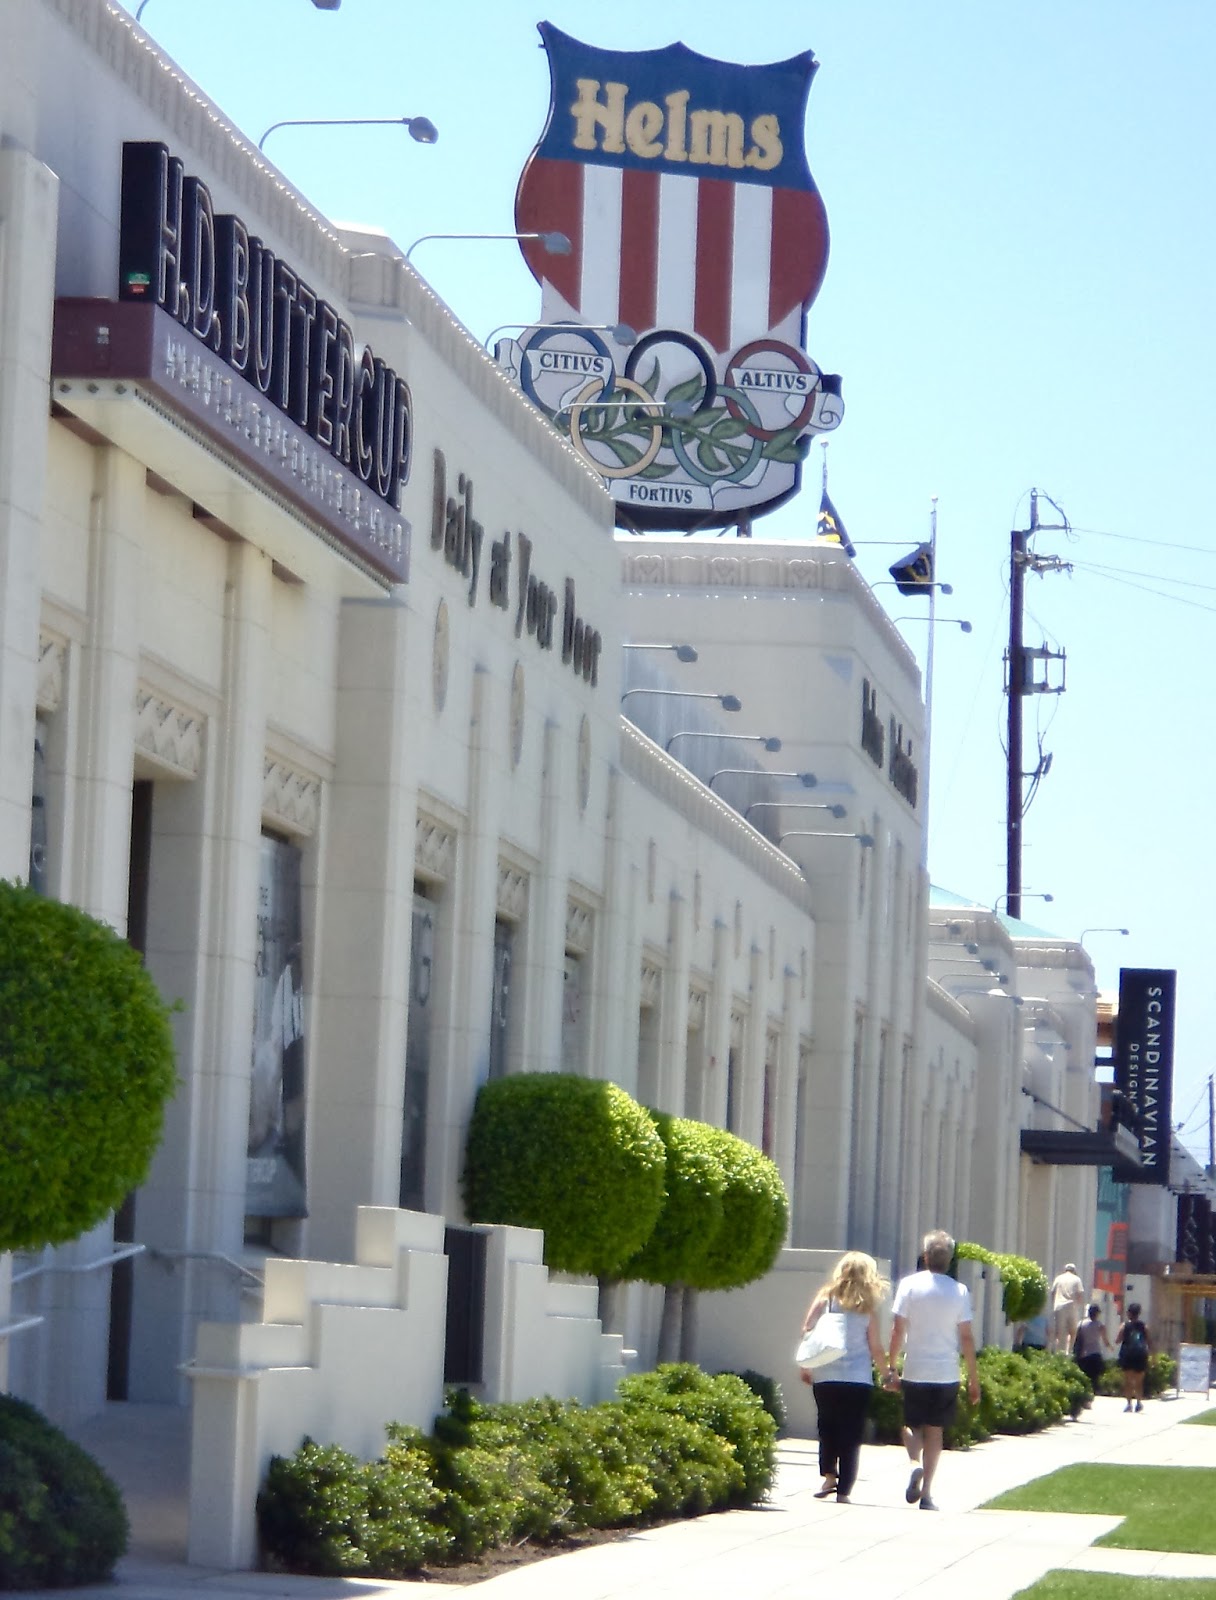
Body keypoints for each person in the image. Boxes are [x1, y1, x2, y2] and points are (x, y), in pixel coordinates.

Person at [887, 1229, 981, 1512]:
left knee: (910, 1424)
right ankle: (927, 1493)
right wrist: (973, 1378)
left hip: (916, 1367)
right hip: (946, 1372)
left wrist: (891, 1366)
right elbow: (966, 1337)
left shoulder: (909, 1285)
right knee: (935, 1431)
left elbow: (897, 1329)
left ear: (925, 1256)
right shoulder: (959, 1291)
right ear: (949, 1260)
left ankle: (913, 1462)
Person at [800, 1251, 891, 1503]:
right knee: (851, 1433)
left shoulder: (826, 1299)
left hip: (826, 1374)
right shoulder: (868, 1309)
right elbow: (875, 1347)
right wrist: (886, 1374)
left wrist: (806, 1365)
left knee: (827, 1426)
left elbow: (807, 1330)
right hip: (858, 1378)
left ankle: (829, 1476)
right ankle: (844, 1490)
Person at [1115, 1302, 1152, 1411]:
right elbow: (1149, 1341)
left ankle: (1129, 1404)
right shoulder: (1144, 1326)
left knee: (1128, 1381)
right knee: (1139, 1382)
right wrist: (1152, 1356)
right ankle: (1139, 1403)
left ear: (1129, 1313)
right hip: (1140, 1355)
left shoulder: (1124, 1326)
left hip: (1128, 1355)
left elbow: (1117, 1340)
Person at [1072, 1303, 1111, 1391]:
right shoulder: (1100, 1325)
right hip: (1095, 1353)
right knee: (1095, 1377)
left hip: (1083, 1354)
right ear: (1097, 1313)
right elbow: (1105, 1341)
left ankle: (1086, 1391)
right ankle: (1094, 1391)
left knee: (1085, 1376)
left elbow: (1076, 1338)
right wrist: (1110, 1347)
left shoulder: (1081, 1324)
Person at [1049, 1263, 1086, 1354]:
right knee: (1072, 1331)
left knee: (1059, 1332)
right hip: (1071, 1306)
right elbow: (1080, 1294)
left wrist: (1054, 1303)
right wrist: (1079, 1305)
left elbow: (1052, 1293)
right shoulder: (1077, 1279)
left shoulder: (1058, 1278)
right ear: (1074, 1271)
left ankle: (1058, 1352)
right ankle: (1068, 1351)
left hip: (1058, 1306)